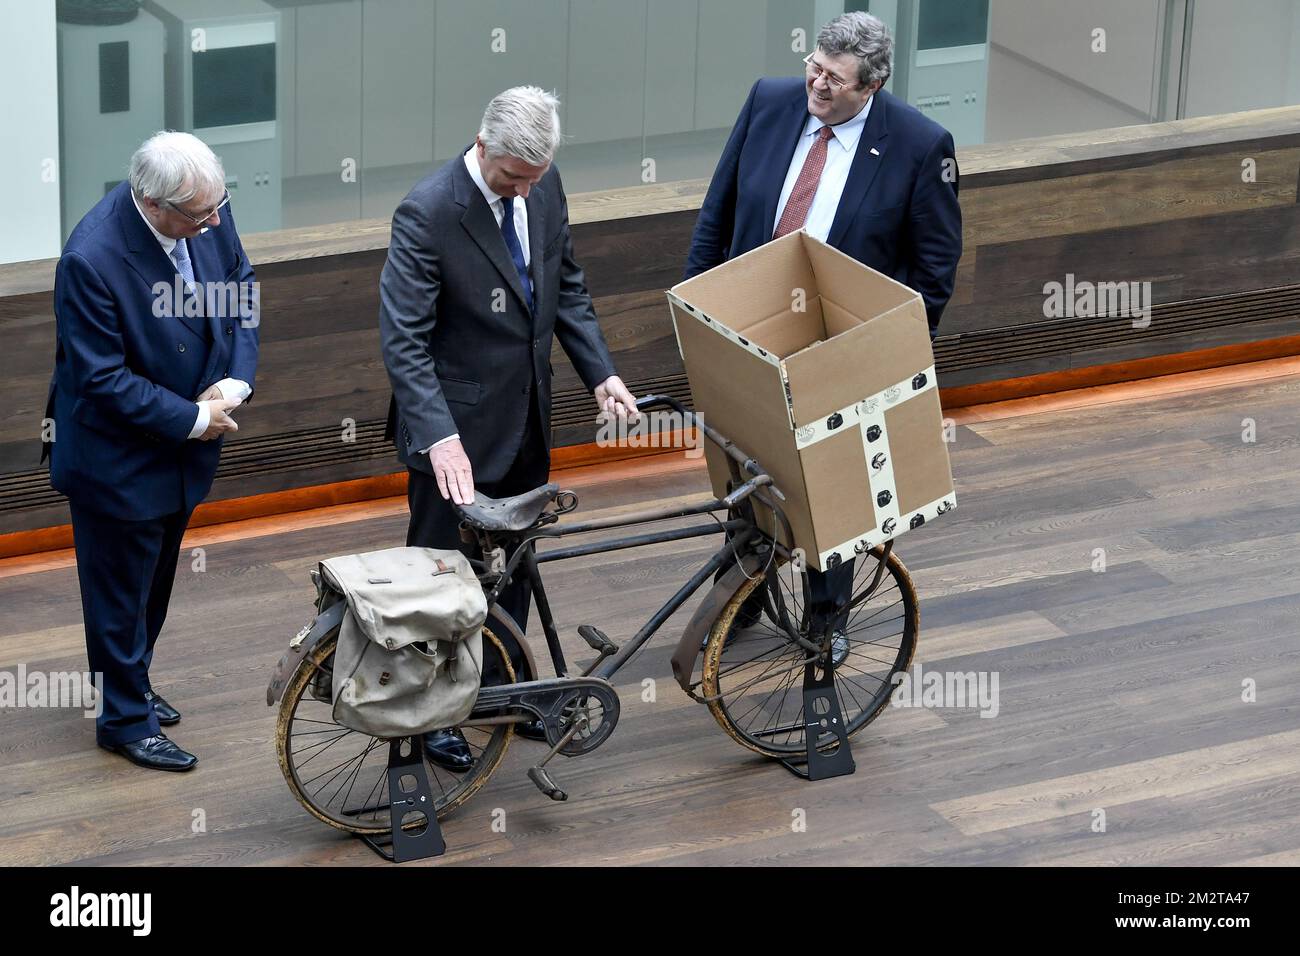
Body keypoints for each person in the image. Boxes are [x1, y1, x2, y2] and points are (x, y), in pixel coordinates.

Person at [379, 86, 637, 770]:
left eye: (536, 177)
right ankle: (431, 715)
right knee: (440, 578)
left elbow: (567, 287)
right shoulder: (427, 211)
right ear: (482, 144)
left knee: (515, 566)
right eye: (513, 178)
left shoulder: (542, 189)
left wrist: (600, 373)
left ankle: (498, 692)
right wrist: (438, 435)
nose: (525, 191)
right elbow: (404, 341)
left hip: (527, 420)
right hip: (452, 437)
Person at [683, 11, 962, 631]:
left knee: (833, 492)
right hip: (748, 331)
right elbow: (718, 209)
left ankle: (824, 628)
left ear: (872, 87)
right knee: (744, 469)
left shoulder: (920, 145)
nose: (817, 86)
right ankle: (744, 603)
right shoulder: (769, 100)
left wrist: (887, 353)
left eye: (835, 80)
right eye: (814, 68)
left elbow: (934, 268)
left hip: (841, 352)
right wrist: (696, 307)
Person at [45, 131, 259, 770]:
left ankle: (130, 679)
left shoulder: (204, 206)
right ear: (152, 203)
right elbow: (101, 378)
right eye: (200, 216)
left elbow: (239, 287)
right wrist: (195, 417)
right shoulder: (92, 257)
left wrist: (237, 381)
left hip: (185, 444)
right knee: (117, 590)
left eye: (218, 207)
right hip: (118, 456)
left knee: (154, 580)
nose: (216, 222)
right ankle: (124, 720)